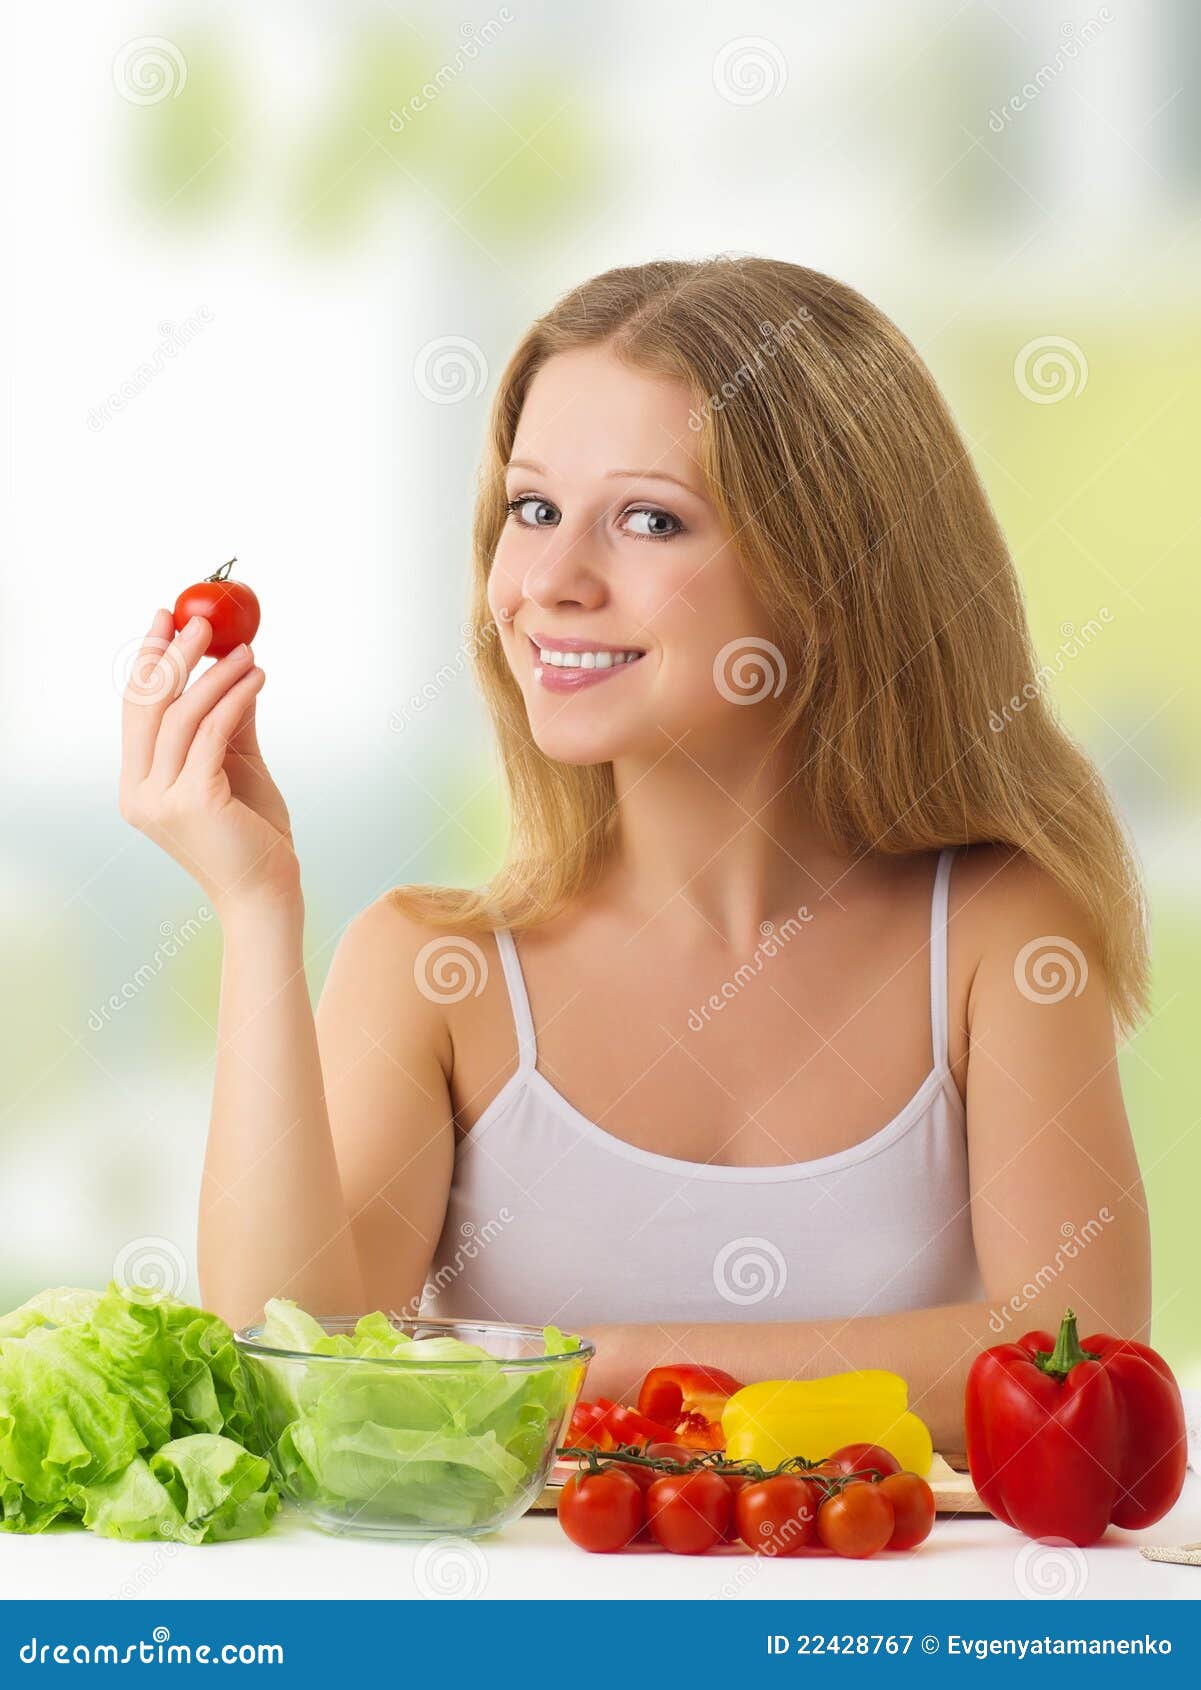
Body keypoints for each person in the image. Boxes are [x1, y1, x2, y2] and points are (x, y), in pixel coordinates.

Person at [118, 257, 1150, 1449]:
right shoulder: (430, 971)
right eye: (532, 509)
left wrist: (589, 1367)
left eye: (650, 520)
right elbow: (292, 1373)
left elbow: (1079, 1362)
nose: (551, 583)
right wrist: (255, 911)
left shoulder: (997, 930)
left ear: (829, 569)